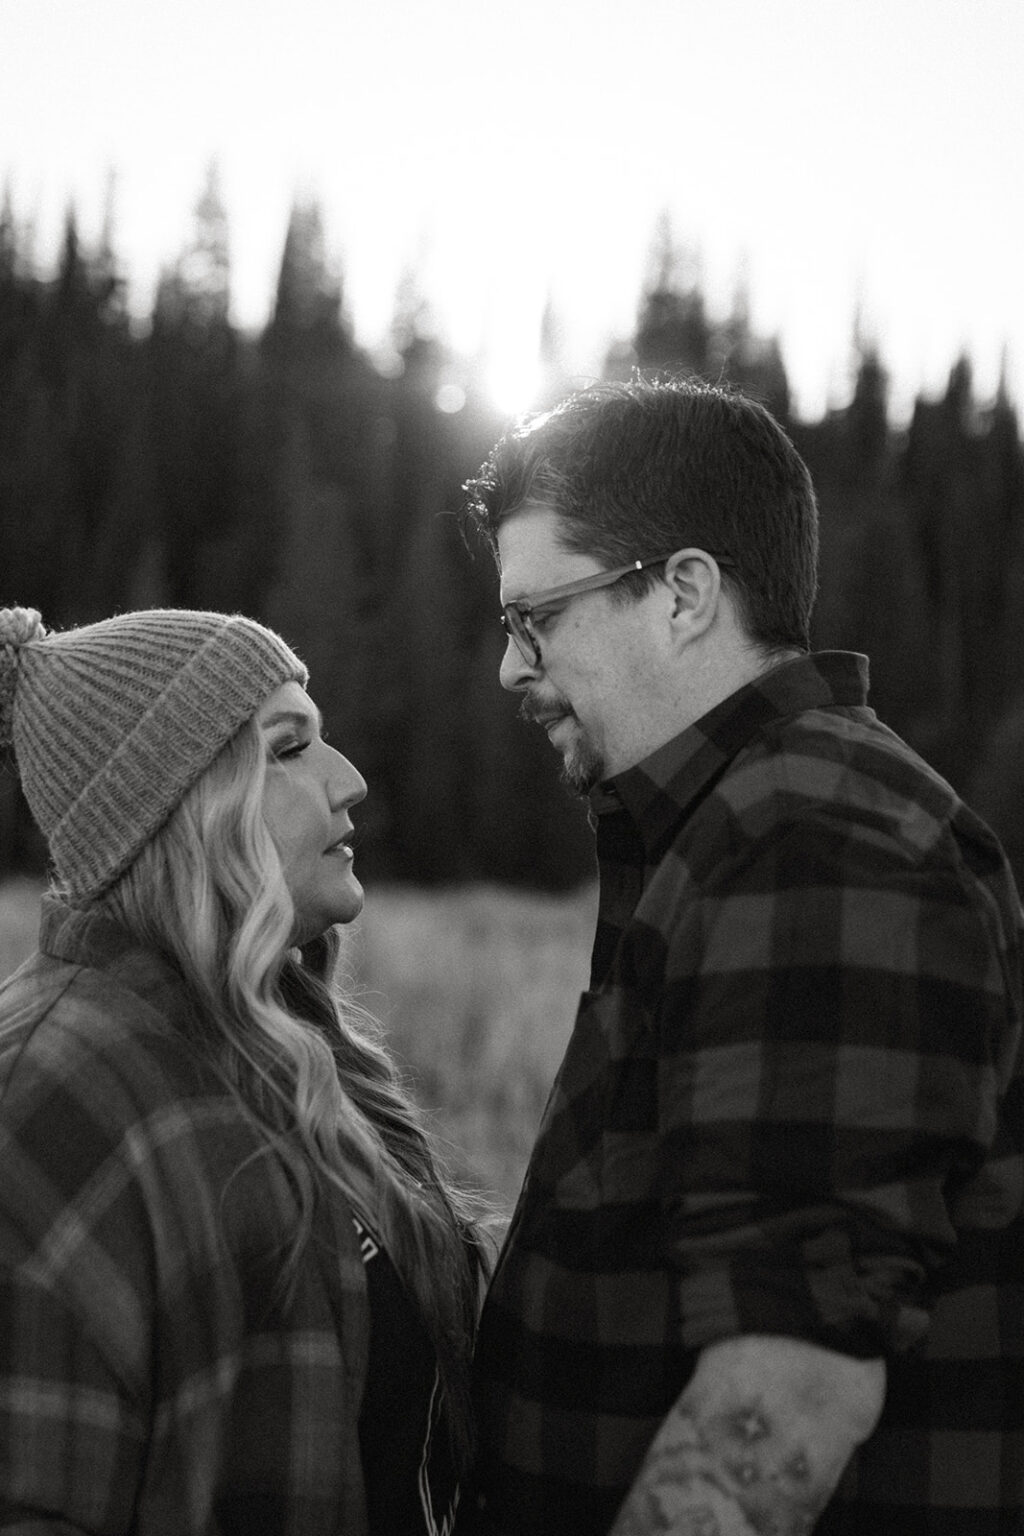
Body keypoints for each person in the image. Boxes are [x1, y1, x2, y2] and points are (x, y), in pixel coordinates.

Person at [458, 377, 1024, 1536]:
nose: (511, 669)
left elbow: (783, 1391)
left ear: (682, 593)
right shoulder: (740, 826)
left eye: (536, 618)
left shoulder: (810, 839)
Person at [0, 604, 484, 1535]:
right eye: (290, 747)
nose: (351, 780)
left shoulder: (277, 1047)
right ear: (185, 805)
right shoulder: (54, 1093)